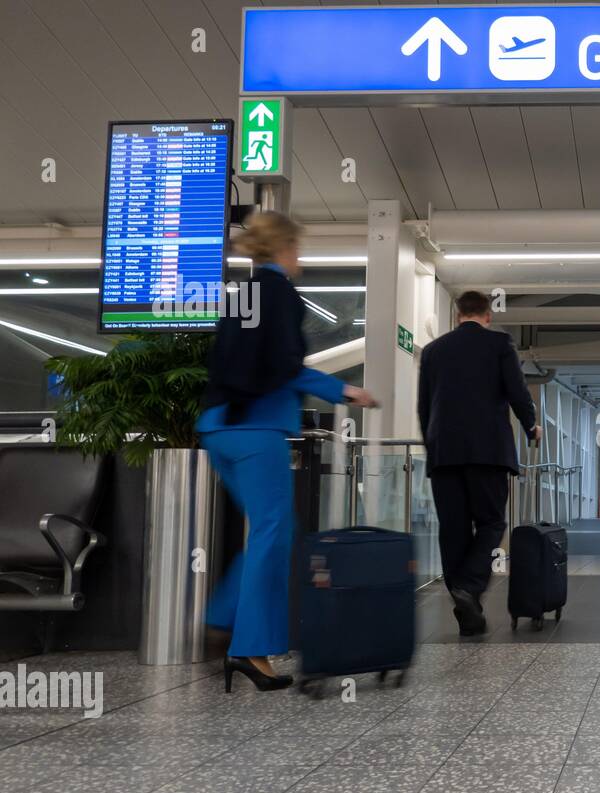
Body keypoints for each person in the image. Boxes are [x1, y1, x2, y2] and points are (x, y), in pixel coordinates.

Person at [198, 211, 378, 691]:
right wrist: (345, 392)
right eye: (297, 250)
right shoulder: (279, 294)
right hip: (257, 432)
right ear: (284, 251)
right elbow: (285, 366)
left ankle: (222, 616)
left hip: (218, 428)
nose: (300, 259)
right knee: (276, 531)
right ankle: (251, 648)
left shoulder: (243, 296)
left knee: (269, 530)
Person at [418, 290, 540, 635]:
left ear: (458, 314)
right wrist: (531, 426)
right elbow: (517, 392)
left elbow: (424, 407)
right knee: (490, 523)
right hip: (486, 452)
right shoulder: (499, 345)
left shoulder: (432, 351)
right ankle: (469, 587)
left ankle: (466, 609)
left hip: (444, 454)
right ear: (487, 315)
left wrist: (433, 448)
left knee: (453, 530)